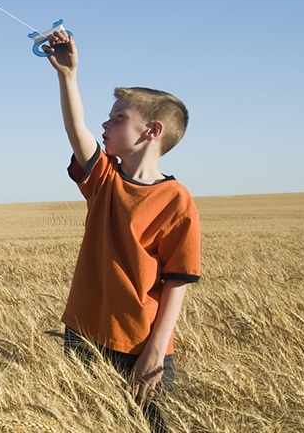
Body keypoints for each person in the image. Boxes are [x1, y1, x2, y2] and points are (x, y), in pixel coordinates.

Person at [43, 29, 200, 432]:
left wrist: (156, 351)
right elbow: (77, 130)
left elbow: (175, 283)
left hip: (139, 345)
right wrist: (67, 76)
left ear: (152, 131)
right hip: (82, 332)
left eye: (118, 117)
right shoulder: (103, 180)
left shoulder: (176, 199)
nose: (105, 123)